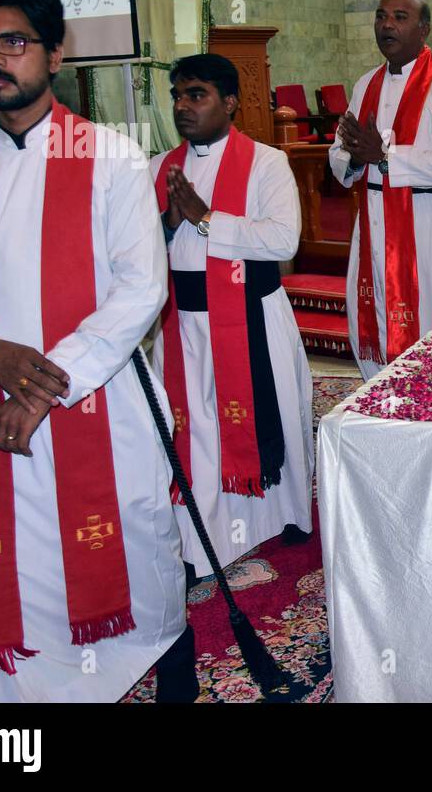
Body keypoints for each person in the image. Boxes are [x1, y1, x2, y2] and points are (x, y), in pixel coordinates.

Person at [0, 0, 189, 701]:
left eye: (14, 42)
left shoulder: (114, 159)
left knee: (127, 552)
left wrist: (44, 382)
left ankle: (145, 668)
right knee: (5, 571)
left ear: (55, 54)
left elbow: (141, 289)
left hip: (97, 397)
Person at [151, 53, 315, 578]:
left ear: (228, 102)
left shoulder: (267, 162)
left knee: (269, 416)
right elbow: (133, 252)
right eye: (177, 94)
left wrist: (205, 218)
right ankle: (203, 539)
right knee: (195, 428)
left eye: (195, 94)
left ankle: (281, 512)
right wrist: (169, 224)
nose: (182, 105)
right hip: (182, 324)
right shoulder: (159, 167)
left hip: (252, 315)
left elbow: (282, 240)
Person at [329, 0, 432, 380]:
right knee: (375, 316)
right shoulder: (365, 85)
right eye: (381, 16)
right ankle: (382, 403)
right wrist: (354, 156)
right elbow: (338, 151)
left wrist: (385, 157)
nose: (386, 25)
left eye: (399, 17)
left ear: (424, 29)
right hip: (375, 220)